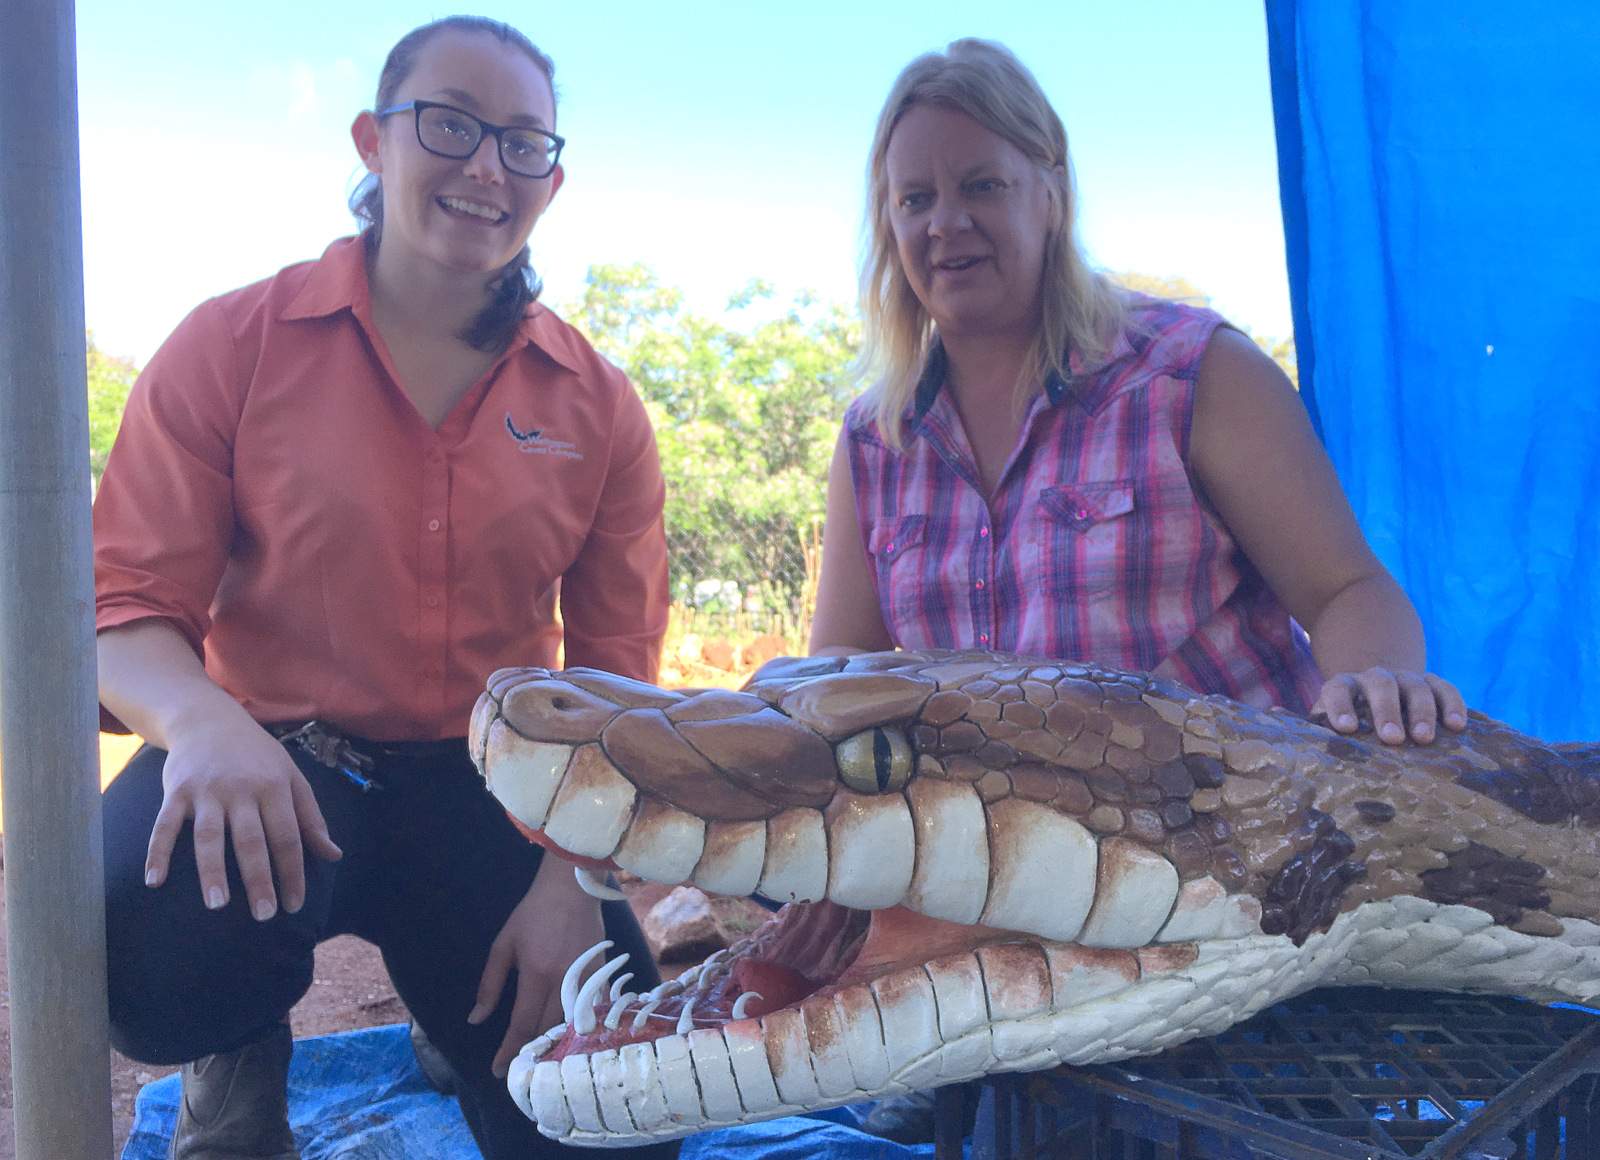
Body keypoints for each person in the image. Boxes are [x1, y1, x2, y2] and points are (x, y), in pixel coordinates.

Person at [808, 39, 1467, 1141]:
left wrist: (1377, 691)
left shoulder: (1187, 370)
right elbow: (838, 687)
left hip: (1229, 908)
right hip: (1004, 934)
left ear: (1050, 187)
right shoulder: (876, 440)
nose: (943, 223)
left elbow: (1350, 588)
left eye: (980, 185)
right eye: (912, 197)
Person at [94, 16, 676, 1159]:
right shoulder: (232, 344)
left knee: (623, 1118)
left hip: (489, 786)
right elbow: (121, 608)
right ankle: (237, 1046)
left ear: (552, 180)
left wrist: (572, 880)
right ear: (374, 141)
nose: (485, 168)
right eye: (449, 126)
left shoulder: (596, 404)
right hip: (275, 766)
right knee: (145, 947)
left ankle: (451, 1016)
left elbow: (616, 681)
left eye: (522, 143)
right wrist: (202, 718)